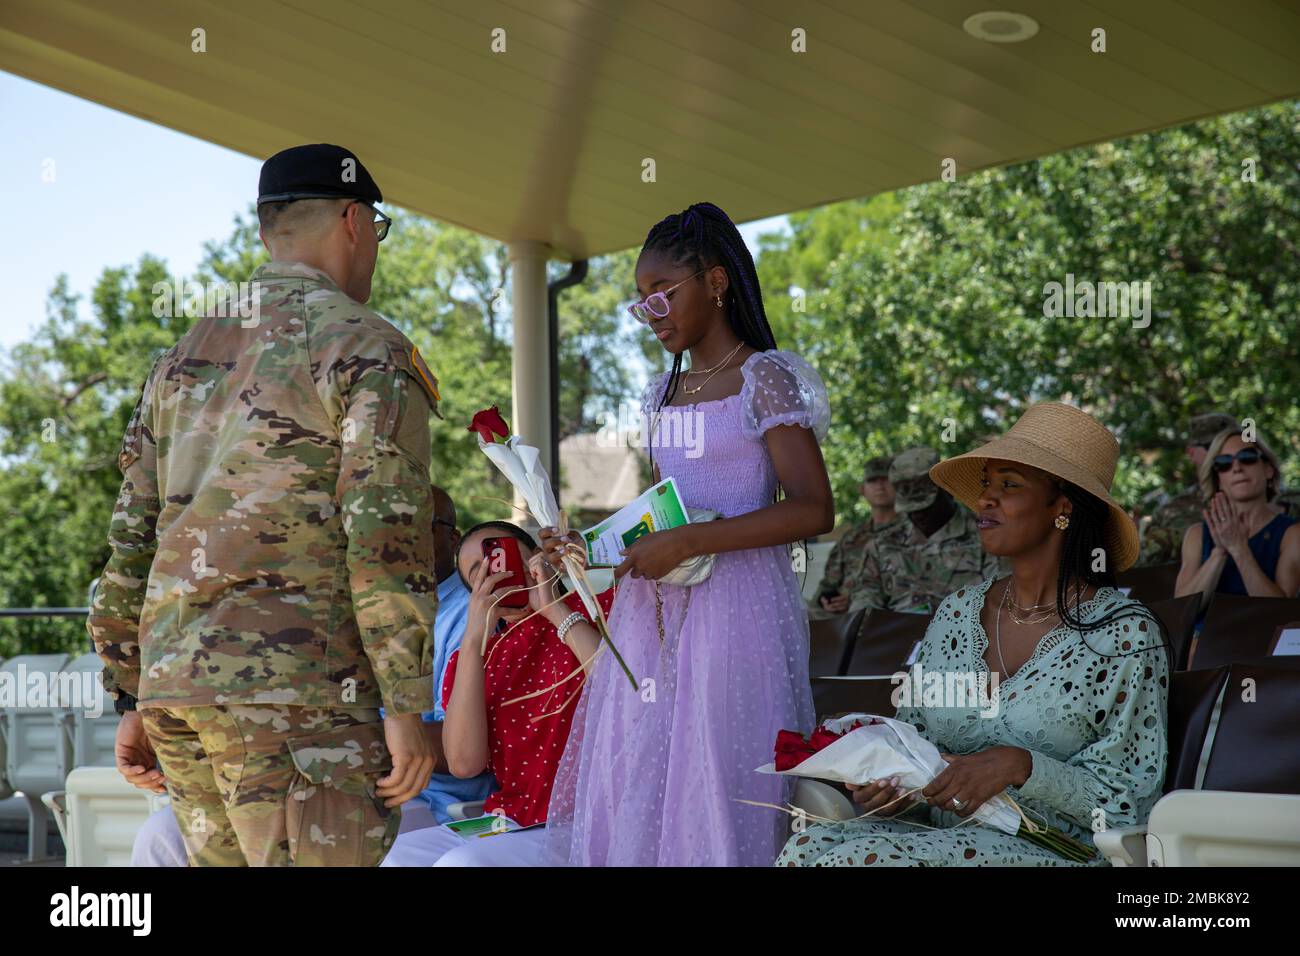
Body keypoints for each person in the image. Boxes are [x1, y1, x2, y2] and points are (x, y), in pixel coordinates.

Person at [94, 143, 438, 866]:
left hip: (179, 689)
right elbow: (385, 538)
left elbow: (132, 534)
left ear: (266, 232)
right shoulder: (365, 346)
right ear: (354, 220)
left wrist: (131, 695)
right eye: (378, 227)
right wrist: (406, 705)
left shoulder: (183, 353)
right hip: (299, 697)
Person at [540, 201, 834, 866]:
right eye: (641, 302)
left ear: (716, 281)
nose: (652, 314)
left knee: (718, 774)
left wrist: (694, 542)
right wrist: (595, 545)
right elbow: (666, 510)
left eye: (663, 294)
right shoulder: (660, 394)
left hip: (739, 611)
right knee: (645, 771)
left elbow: (814, 509)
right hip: (658, 616)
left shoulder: (765, 376)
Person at [779, 402, 1168, 867]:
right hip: (940, 838)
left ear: (1061, 508)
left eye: (1009, 485)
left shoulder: (1124, 635)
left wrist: (1021, 766)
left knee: (862, 860)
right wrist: (893, 788)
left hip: (1056, 849)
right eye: (986, 484)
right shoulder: (956, 614)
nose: (985, 499)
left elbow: (1131, 803)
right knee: (808, 845)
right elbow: (916, 744)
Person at [131, 486, 488, 866]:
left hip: (420, 798)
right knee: (161, 835)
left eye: (418, 524)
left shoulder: (470, 613)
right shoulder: (350, 603)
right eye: (384, 525)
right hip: (314, 775)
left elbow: (465, 752)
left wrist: (354, 740)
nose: (397, 536)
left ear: (451, 538)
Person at [381, 522, 614, 867]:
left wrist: (554, 609)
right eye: (479, 571)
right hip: (511, 818)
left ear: (534, 555)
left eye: (499, 555)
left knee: (462, 864)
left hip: (584, 817)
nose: (495, 572)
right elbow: (464, 763)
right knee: (393, 856)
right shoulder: (480, 655)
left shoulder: (595, 607)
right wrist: (475, 636)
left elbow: (620, 691)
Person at [856, 447, 1001, 616]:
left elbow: (1002, 602)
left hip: (967, 634)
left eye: (926, 506)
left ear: (948, 491)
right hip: (899, 637)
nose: (918, 514)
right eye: (910, 508)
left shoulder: (988, 536)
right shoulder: (882, 546)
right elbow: (863, 604)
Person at [1175, 428, 1300, 606]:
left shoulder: (1292, 534)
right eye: (1224, 463)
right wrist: (1218, 552)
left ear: (1268, 469)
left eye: (1247, 457)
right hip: (1206, 635)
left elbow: (1279, 611)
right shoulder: (1196, 535)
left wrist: (1239, 550)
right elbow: (1182, 610)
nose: (1237, 468)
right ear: (1217, 478)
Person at [1139, 412, 1238, 566]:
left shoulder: (1269, 501)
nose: (1224, 452)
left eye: (1232, 445)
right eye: (1212, 446)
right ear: (1191, 452)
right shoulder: (1171, 510)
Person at [809, 455, 901, 620]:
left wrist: (854, 599)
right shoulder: (851, 539)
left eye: (886, 479)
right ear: (862, 490)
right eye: (873, 480)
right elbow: (828, 585)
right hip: (843, 617)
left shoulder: (912, 532)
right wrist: (828, 601)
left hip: (886, 612)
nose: (880, 486)